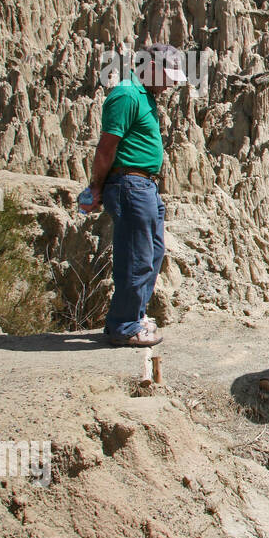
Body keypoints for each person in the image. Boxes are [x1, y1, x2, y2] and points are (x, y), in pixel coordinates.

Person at [88, 44, 188, 347]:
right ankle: (124, 326)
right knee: (136, 257)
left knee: (153, 253)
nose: (171, 83)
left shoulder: (145, 97)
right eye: (168, 74)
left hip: (144, 186)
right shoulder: (127, 94)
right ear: (150, 66)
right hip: (130, 184)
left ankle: (134, 315)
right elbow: (106, 147)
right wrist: (96, 187)